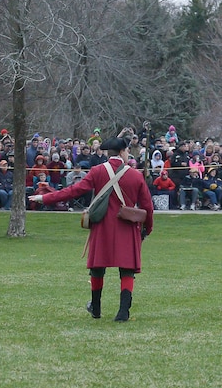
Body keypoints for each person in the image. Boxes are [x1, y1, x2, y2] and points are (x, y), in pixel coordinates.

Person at [30, 137, 153, 322]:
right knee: (127, 270)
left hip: (102, 225)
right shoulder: (136, 175)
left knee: (97, 268)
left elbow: (74, 191)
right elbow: (147, 207)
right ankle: (123, 312)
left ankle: (96, 308)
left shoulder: (97, 171)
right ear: (122, 152)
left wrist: (45, 198)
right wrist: (147, 229)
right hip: (127, 227)